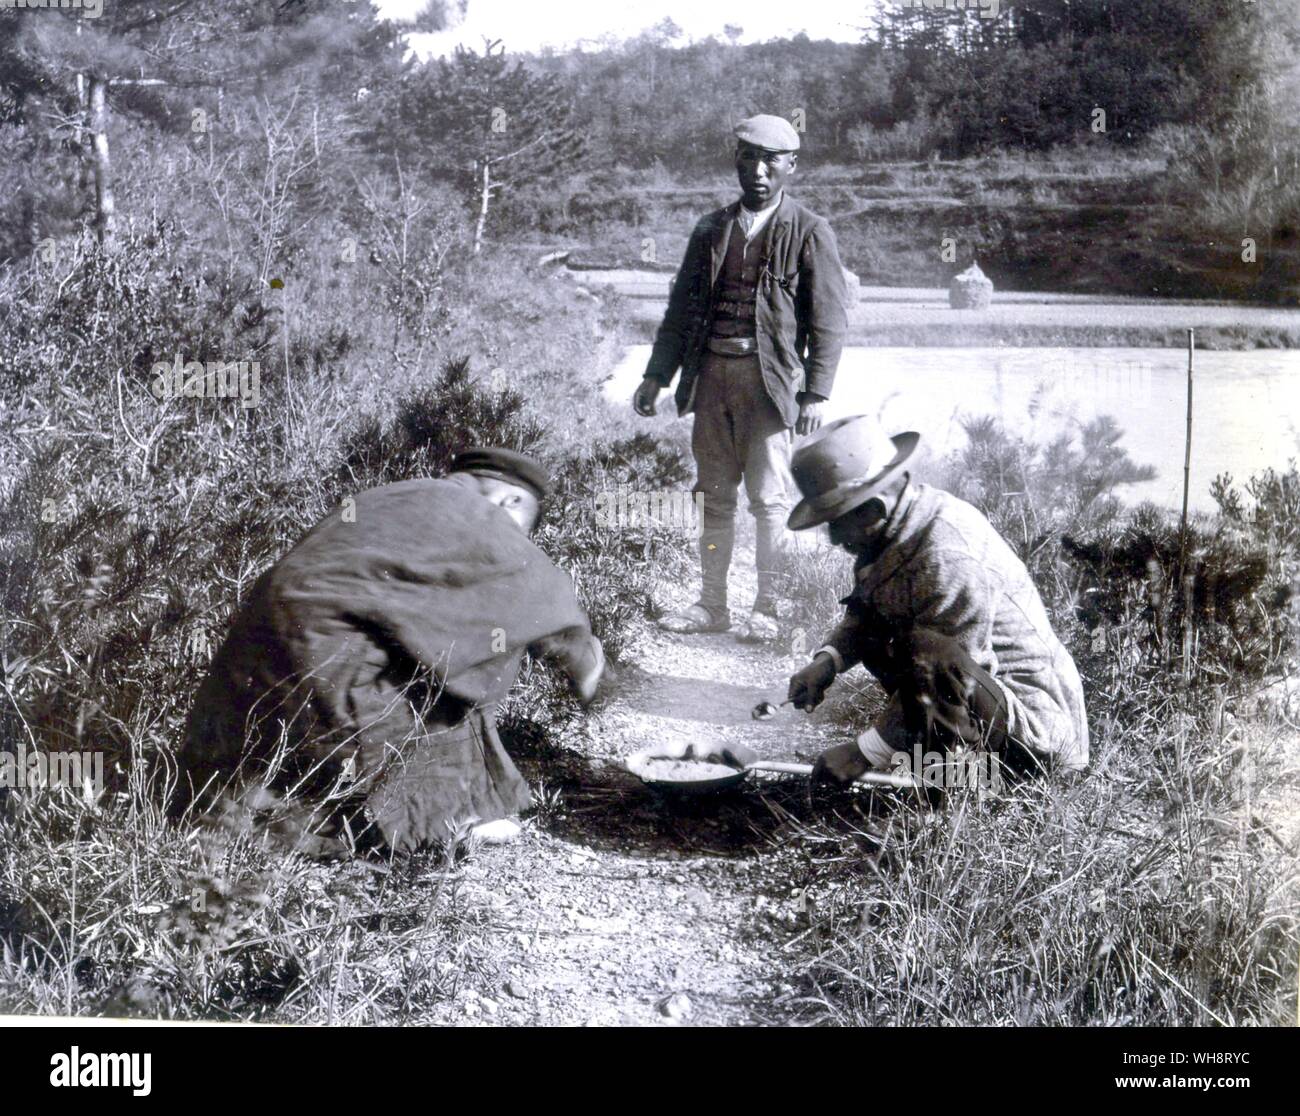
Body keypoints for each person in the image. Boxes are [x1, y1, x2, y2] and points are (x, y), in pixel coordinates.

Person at [171, 447, 604, 855]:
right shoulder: (485, 516)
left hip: (251, 650)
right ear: (510, 500)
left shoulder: (392, 495)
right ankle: (447, 817)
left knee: (274, 750)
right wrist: (587, 666)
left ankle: (240, 811)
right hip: (329, 654)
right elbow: (543, 599)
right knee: (453, 684)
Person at [634, 113, 849, 642]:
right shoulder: (710, 230)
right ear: (736, 161)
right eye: (748, 158)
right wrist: (657, 376)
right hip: (710, 379)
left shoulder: (810, 232)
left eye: (770, 161)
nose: (757, 171)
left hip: (769, 386)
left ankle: (768, 610)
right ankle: (711, 605)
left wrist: (815, 391)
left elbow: (828, 319)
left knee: (770, 499)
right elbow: (680, 314)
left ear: (790, 167)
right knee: (713, 496)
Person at [782, 416, 1089, 785]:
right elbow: (867, 612)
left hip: (1035, 733)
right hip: (976, 700)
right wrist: (827, 661)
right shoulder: (892, 530)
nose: (832, 537)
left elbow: (946, 668)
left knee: (926, 648)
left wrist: (862, 753)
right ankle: (933, 759)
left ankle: (950, 793)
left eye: (836, 521)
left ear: (874, 510)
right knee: (901, 643)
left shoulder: (947, 553)